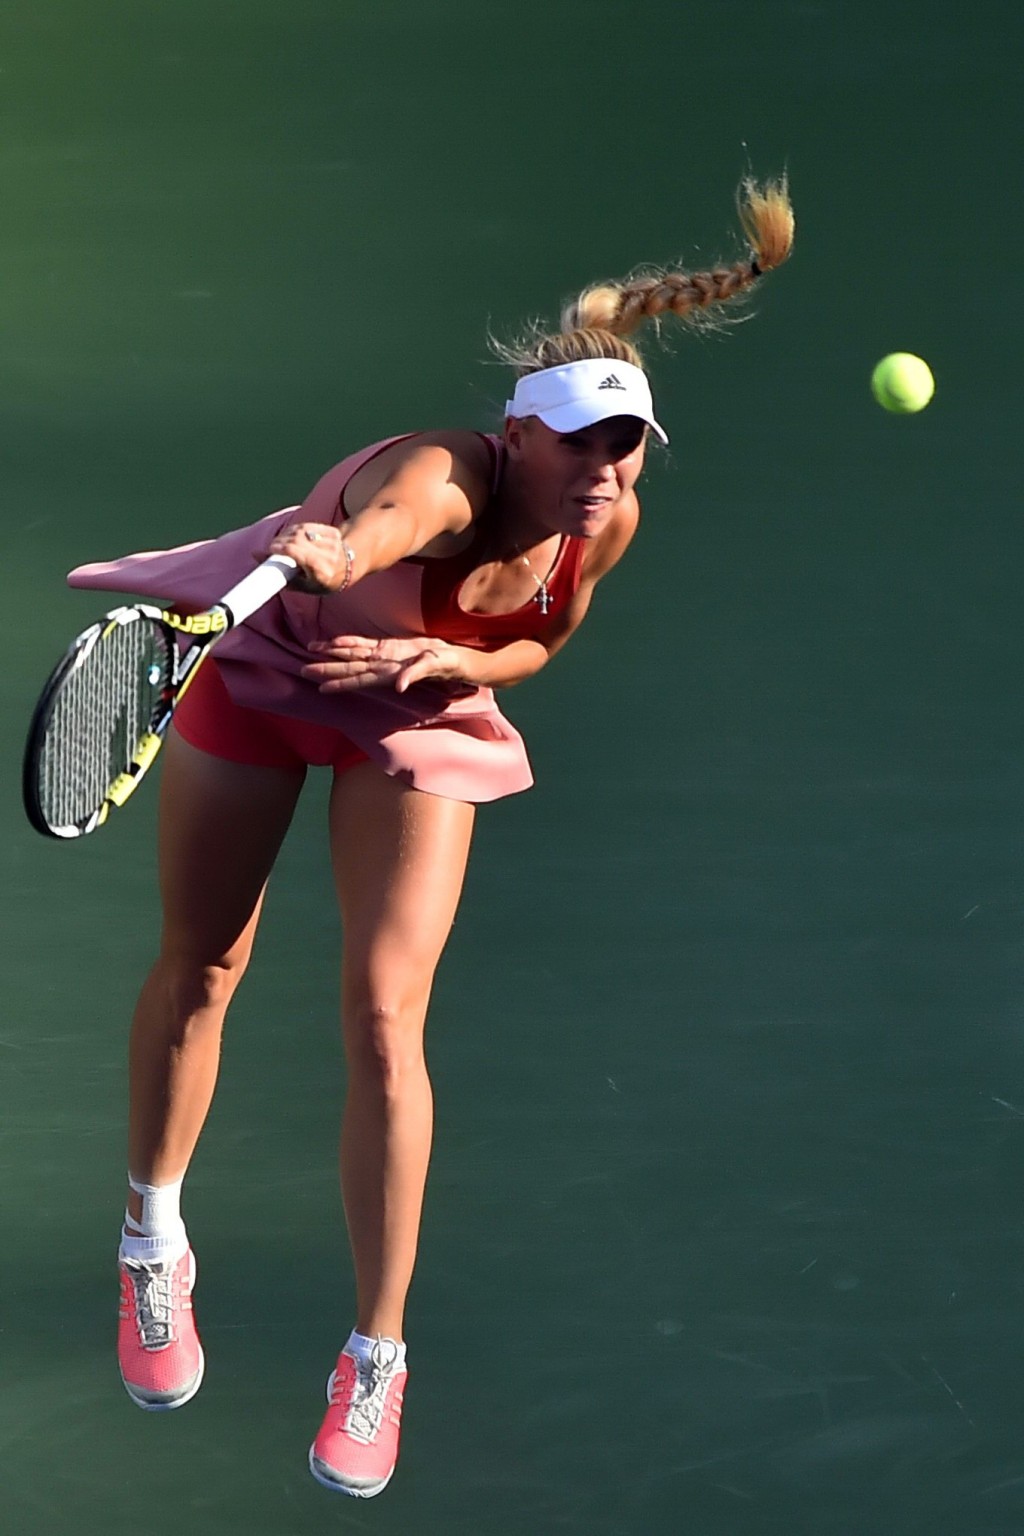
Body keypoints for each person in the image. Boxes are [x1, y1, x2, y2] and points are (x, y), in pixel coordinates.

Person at [68, 177, 794, 1498]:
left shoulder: (609, 519)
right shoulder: (445, 478)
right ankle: (150, 1242)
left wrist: (441, 660)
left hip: (412, 697)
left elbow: (541, 636)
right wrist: (345, 557)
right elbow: (390, 521)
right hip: (274, 667)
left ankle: (376, 1357)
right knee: (205, 964)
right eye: (583, 447)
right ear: (517, 435)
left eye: (630, 448)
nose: (610, 471)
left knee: (385, 1022)